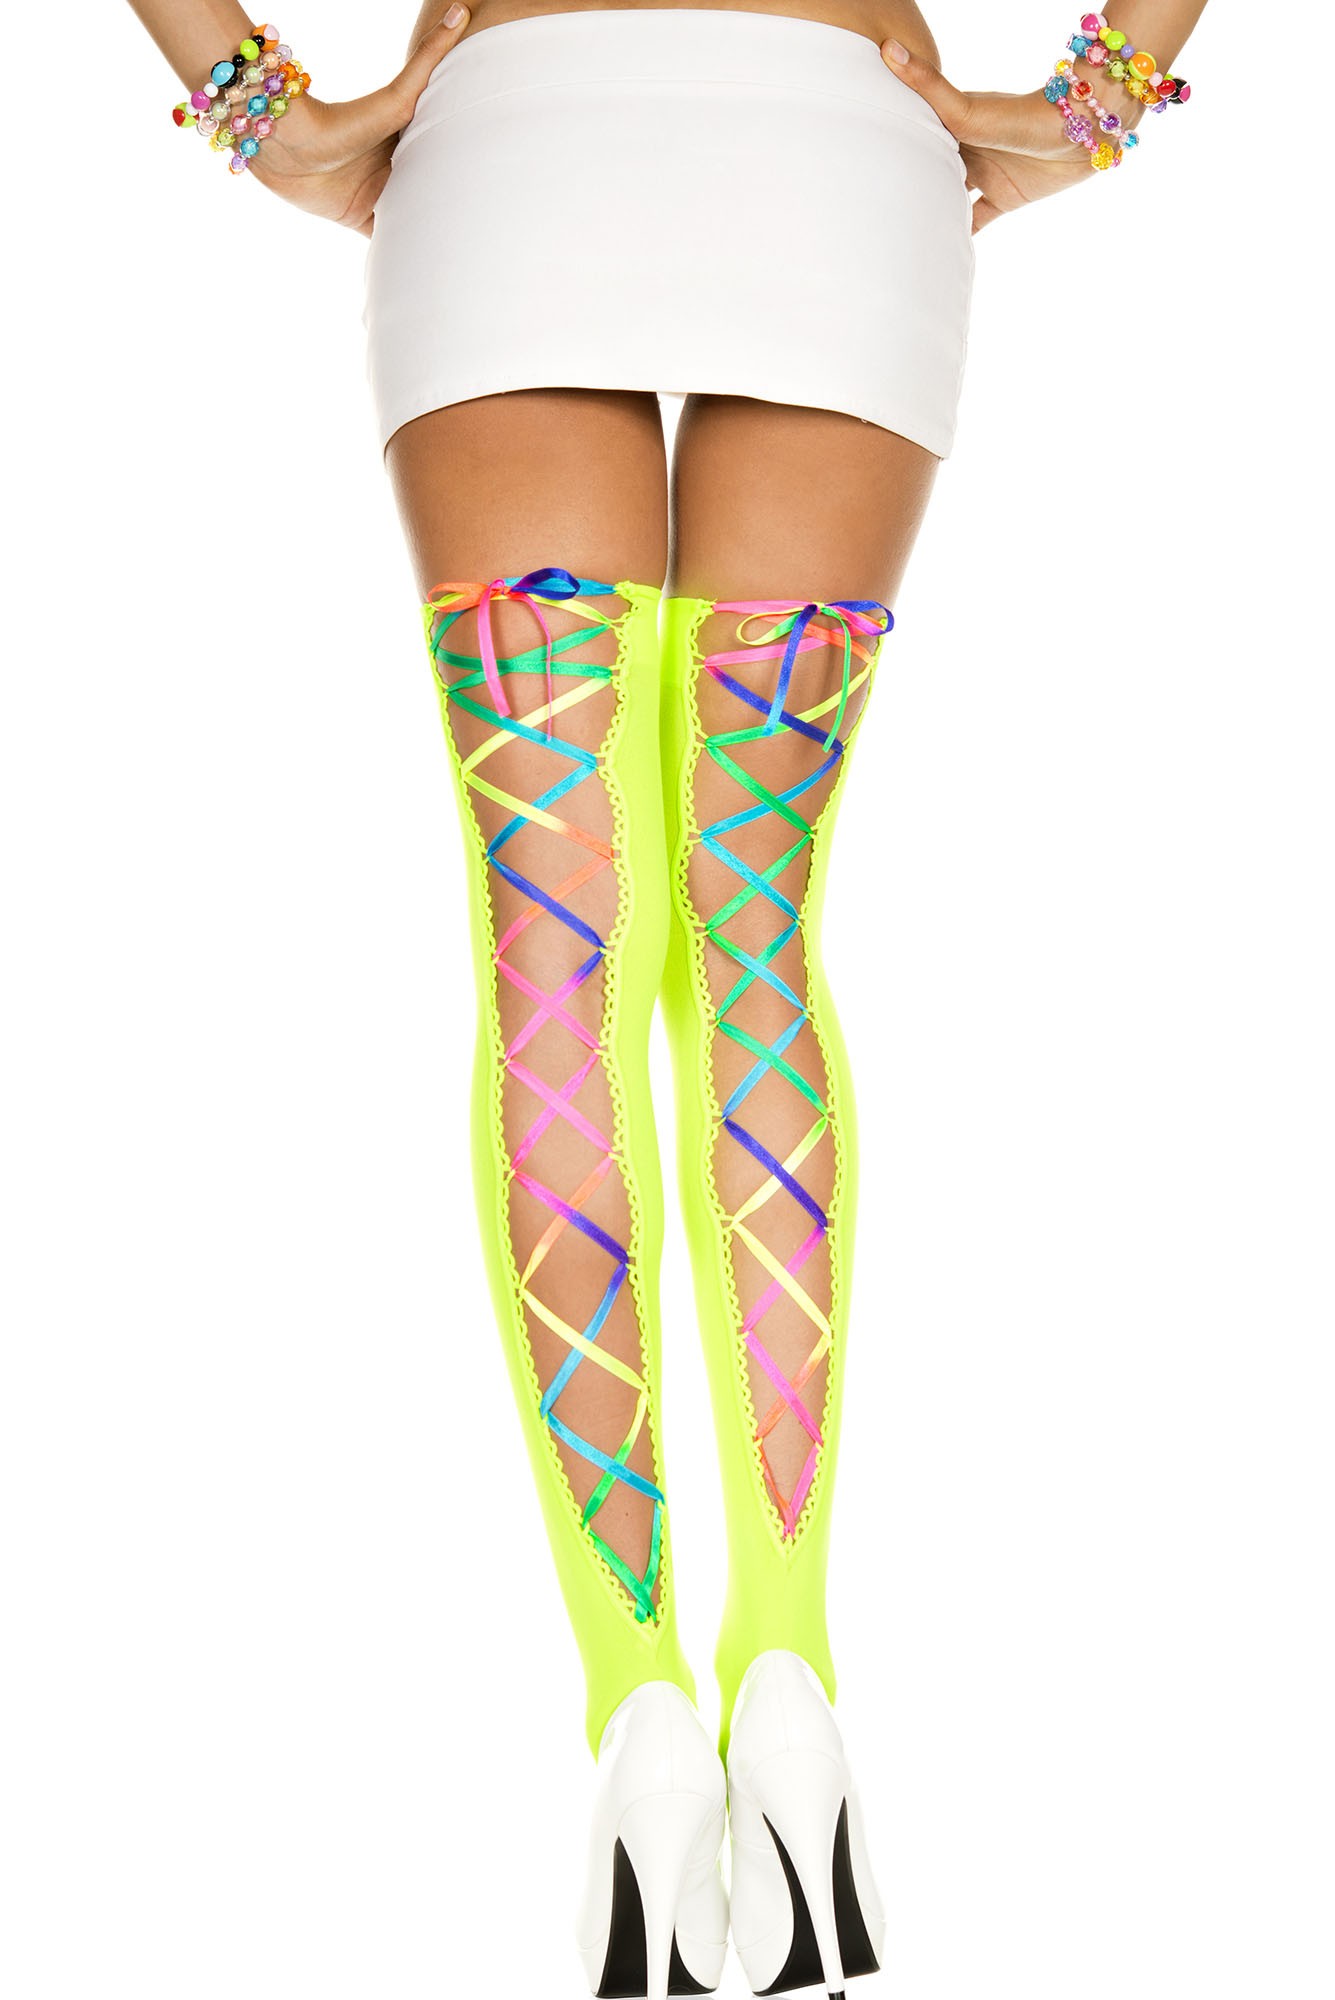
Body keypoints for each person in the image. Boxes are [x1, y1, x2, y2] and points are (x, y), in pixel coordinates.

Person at [127, 5, 1210, 1996]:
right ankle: (787, 1683)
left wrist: (261, 104)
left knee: (553, 970)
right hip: (836, 142)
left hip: (515, 139)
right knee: (752, 944)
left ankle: (635, 1717)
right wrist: (1092, 103)